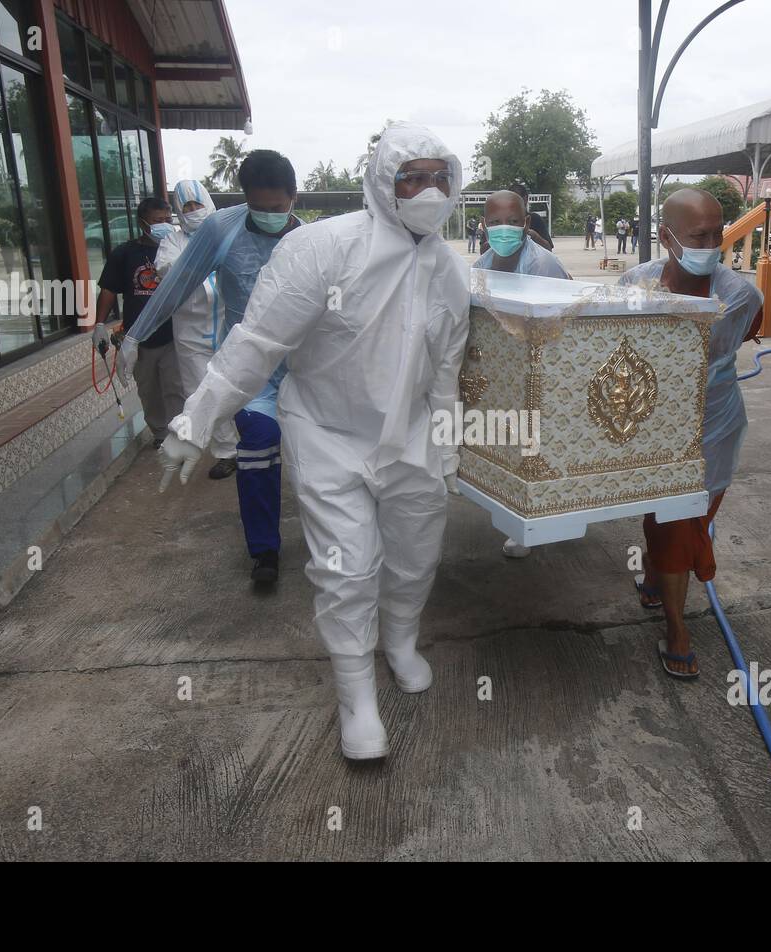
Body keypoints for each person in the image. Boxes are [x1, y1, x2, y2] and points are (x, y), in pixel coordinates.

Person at [157, 123, 470, 761]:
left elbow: (445, 371)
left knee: (416, 554)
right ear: (383, 181)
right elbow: (255, 345)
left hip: (411, 436)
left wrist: (449, 444)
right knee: (347, 568)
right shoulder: (323, 250)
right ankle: (356, 696)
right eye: (412, 177)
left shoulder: (447, 269)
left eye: (441, 178)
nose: (428, 191)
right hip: (328, 433)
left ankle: (402, 640)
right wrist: (195, 421)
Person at [123, 151, 308, 585]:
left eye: (278, 208)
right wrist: (135, 335)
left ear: (294, 197)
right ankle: (264, 551)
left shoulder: (311, 239)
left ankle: (331, 541)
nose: (268, 216)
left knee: (315, 456)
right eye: (258, 208)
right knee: (259, 445)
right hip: (248, 368)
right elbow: (177, 284)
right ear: (244, 199)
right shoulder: (220, 229)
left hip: (303, 365)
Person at [618, 189, 762, 678]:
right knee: (663, 516)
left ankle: (669, 610)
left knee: (687, 520)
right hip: (653, 424)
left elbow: (738, 340)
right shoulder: (634, 284)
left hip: (713, 425)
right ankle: (672, 612)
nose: (714, 243)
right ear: (666, 237)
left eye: (718, 232)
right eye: (700, 235)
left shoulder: (740, 294)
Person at [474, 189, 571, 560]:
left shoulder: (543, 266)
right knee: (507, 446)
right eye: (495, 222)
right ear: (484, 226)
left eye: (513, 222)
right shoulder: (481, 265)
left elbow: (561, 325)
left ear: (526, 224)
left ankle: (537, 522)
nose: (504, 229)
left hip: (543, 368)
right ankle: (517, 514)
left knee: (538, 448)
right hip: (502, 369)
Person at [154, 179, 237, 479]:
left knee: (236, 388)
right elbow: (166, 269)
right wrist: (201, 261)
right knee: (200, 392)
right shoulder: (172, 241)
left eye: (197, 205)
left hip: (229, 324)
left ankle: (249, 442)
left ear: (208, 204)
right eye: (186, 207)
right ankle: (226, 452)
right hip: (190, 331)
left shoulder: (226, 233)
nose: (192, 211)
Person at [92, 196, 182, 447]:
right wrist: (99, 324)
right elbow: (109, 290)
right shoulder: (125, 254)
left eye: (168, 220)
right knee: (148, 388)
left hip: (173, 332)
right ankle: (160, 433)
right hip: (138, 337)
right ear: (143, 223)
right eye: (157, 221)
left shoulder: (179, 249)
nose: (164, 225)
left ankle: (178, 432)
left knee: (175, 386)